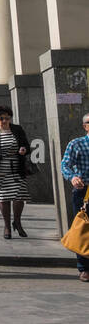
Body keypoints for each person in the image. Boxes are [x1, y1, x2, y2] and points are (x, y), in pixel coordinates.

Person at [0, 106, 31, 239]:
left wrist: (23, 150)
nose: (4, 121)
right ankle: (7, 226)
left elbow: (26, 145)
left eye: (7, 118)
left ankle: (18, 222)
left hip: (17, 167)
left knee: (19, 197)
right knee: (4, 198)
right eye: (1, 118)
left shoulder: (17, 129)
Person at [59, 111, 89, 282]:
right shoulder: (76, 144)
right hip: (83, 191)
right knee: (82, 229)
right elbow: (65, 165)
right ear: (85, 126)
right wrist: (73, 177)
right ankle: (84, 268)